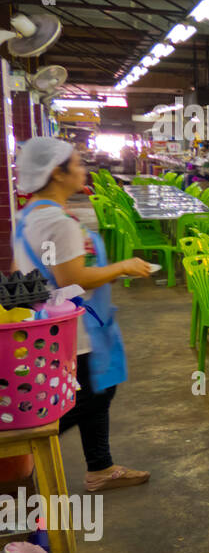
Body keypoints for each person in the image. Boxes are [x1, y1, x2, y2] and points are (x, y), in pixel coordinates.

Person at [11, 137, 152, 492]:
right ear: (57, 173)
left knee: (95, 392)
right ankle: (22, 452)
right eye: (76, 163)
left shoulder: (27, 217)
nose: (83, 168)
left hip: (45, 328)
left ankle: (100, 467)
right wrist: (124, 266)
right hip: (77, 329)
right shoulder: (61, 225)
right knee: (87, 397)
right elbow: (73, 279)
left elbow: (19, 275)